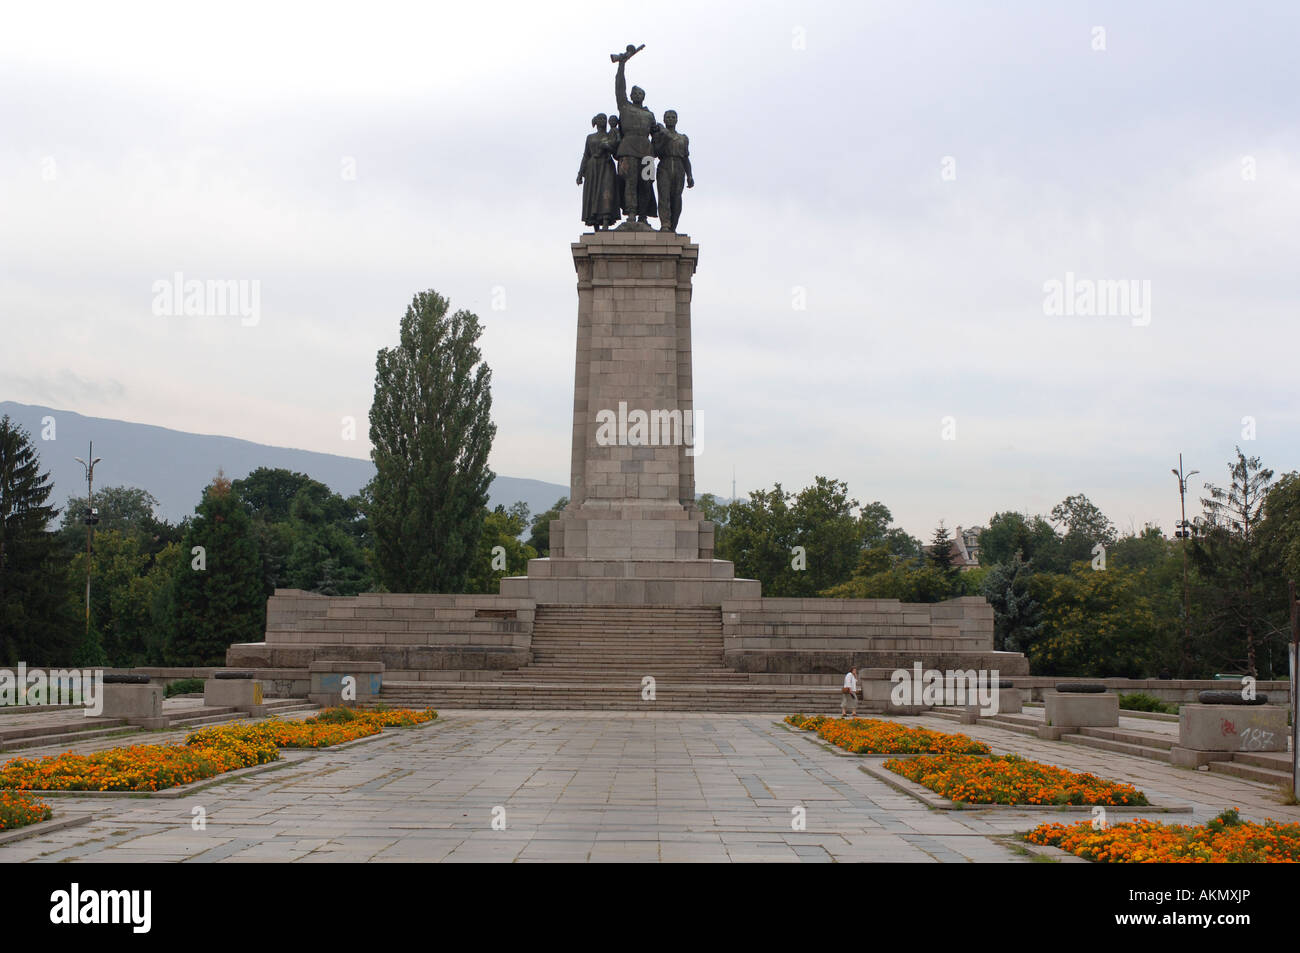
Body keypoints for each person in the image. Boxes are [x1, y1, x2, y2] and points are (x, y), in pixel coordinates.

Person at [577, 113, 620, 229]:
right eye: (600, 118)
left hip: (606, 166)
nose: (603, 121)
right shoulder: (590, 137)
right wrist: (580, 173)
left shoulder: (610, 134)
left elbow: (616, 149)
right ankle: (595, 223)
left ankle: (606, 220)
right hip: (593, 168)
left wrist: (608, 146)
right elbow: (586, 155)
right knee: (593, 193)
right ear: (595, 121)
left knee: (607, 191)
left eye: (604, 119)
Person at [652, 110, 693, 232]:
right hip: (665, 165)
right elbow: (654, 152)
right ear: (664, 120)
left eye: (673, 117)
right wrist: (664, 137)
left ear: (676, 120)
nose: (670, 119)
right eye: (668, 117)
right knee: (664, 196)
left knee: (677, 198)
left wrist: (689, 175)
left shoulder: (683, 138)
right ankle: (665, 224)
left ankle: (673, 226)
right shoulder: (659, 135)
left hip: (679, 167)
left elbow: (686, 158)